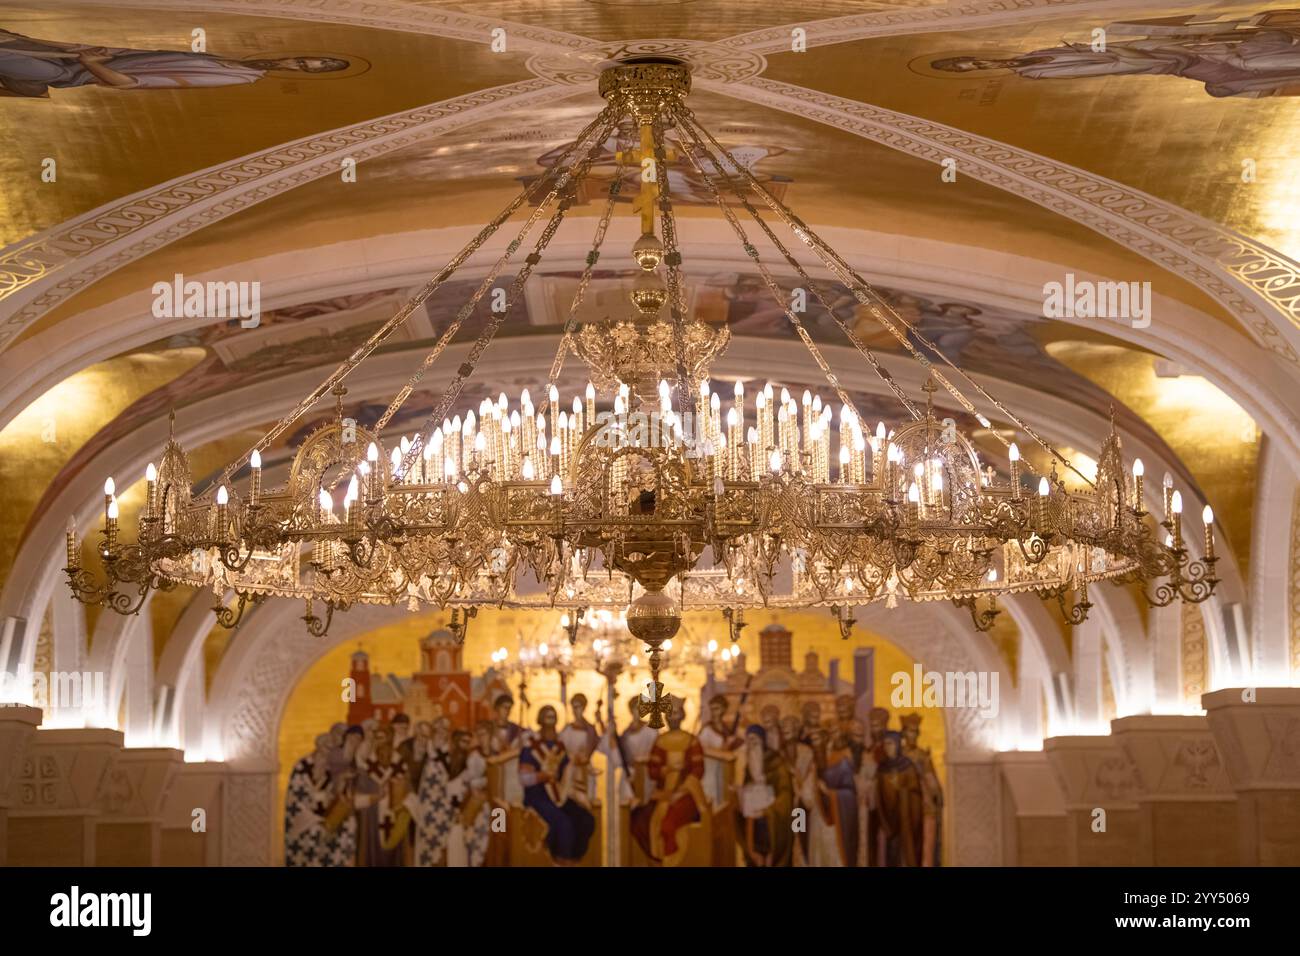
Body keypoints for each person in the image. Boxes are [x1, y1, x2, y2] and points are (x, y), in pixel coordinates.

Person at [930, 12, 1300, 99]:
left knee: (1242, 60)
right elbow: (1095, 68)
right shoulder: (1034, 73)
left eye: (972, 60)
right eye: (972, 68)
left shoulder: (1037, 54)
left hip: (1139, 55)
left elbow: (1092, 55)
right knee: (1240, 69)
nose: (980, 65)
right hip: (1136, 61)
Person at [0, 27, 348, 97]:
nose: (295, 62)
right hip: (75, 53)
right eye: (303, 58)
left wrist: (89, 64)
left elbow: (133, 83)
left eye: (303, 68)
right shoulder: (232, 56)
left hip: (68, 72)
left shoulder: (236, 76)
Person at [630, 699, 707, 866]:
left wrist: (680, 792)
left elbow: (698, 770)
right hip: (663, 793)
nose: (673, 717)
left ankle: (670, 862)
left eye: (677, 713)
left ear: (682, 716)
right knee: (639, 820)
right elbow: (653, 769)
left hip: (687, 794)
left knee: (667, 825)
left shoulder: (691, 741)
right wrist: (667, 769)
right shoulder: (661, 741)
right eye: (670, 714)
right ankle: (655, 859)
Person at [519, 705, 596, 864]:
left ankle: (574, 858)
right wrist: (543, 776)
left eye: (553, 716)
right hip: (537, 796)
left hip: (558, 795)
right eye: (547, 716)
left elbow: (566, 775)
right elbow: (524, 779)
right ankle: (561, 858)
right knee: (563, 824)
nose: (551, 719)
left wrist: (576, 793)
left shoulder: (560, 748)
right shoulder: (531, 747)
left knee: (586, 820)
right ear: (540, 720)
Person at [354, 723, 412, 866]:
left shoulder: (401, 766)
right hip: (372, 817)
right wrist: (372, 798)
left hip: (395, 816)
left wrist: (402, 800)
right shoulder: (367, 766)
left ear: (391, 739)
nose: (382, 742)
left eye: (384, 738)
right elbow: (356, 798)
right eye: (378, 738)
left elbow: (411, 795)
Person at [736, 725, 794, 866]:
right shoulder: (749, 765)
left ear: (762, 740)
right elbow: (746, 803)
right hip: (754, 826)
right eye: (748, 741)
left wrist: (768, 811)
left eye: (754, 740)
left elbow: (786, 794)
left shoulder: (776, 762)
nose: (751, 744)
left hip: (774, 824)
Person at [874, 731, 924, 866]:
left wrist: (902, 790)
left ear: (897, 745)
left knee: (906, 853)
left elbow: (916, 793)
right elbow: (878, 794)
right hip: (889, 819)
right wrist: (883, 818)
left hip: (906, 819)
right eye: (885, 744)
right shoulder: (881, 768)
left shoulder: (908, 767)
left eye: (890, 744)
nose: (887, 747)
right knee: (891, 853)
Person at [900, 713, 944, 867]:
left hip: (924, 806)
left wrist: (938, 794)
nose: (912, 735)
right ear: (903, 733)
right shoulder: (898, 757)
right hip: (904, 805)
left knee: (926, 846)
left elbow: (931, 780)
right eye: (909, 731)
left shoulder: (923, 756)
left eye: (915, 731)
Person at [697, 695, 742, 811]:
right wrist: (725, 748)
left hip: (723, 770)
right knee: (711, 798)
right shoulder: (707, 729)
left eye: (717, 708)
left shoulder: (726, 729)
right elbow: (702, 749)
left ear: (723, 709)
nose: (714, 712)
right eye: (712, 709)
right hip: (709, 769)